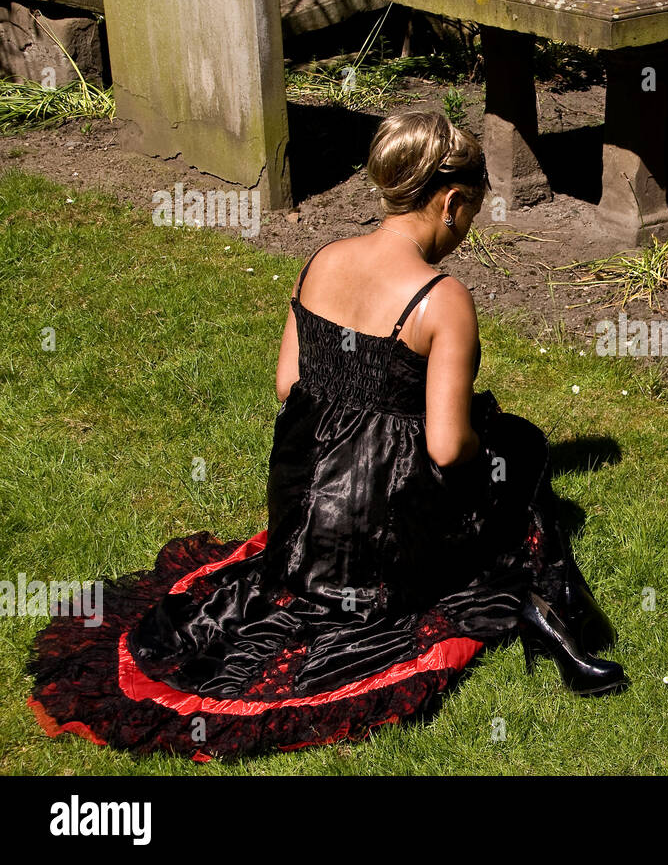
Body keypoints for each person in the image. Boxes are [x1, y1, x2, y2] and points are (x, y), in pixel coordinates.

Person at [27, 110, 626, 761]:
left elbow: (289, 385)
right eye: (472, 213)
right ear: (453, 202)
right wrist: (488, 450)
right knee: (523, 448)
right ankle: (549, 607)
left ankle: (544, 610)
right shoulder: (440, 298)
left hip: (300, 521)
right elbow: (446, 448)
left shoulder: (321, 263)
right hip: (380, 544)